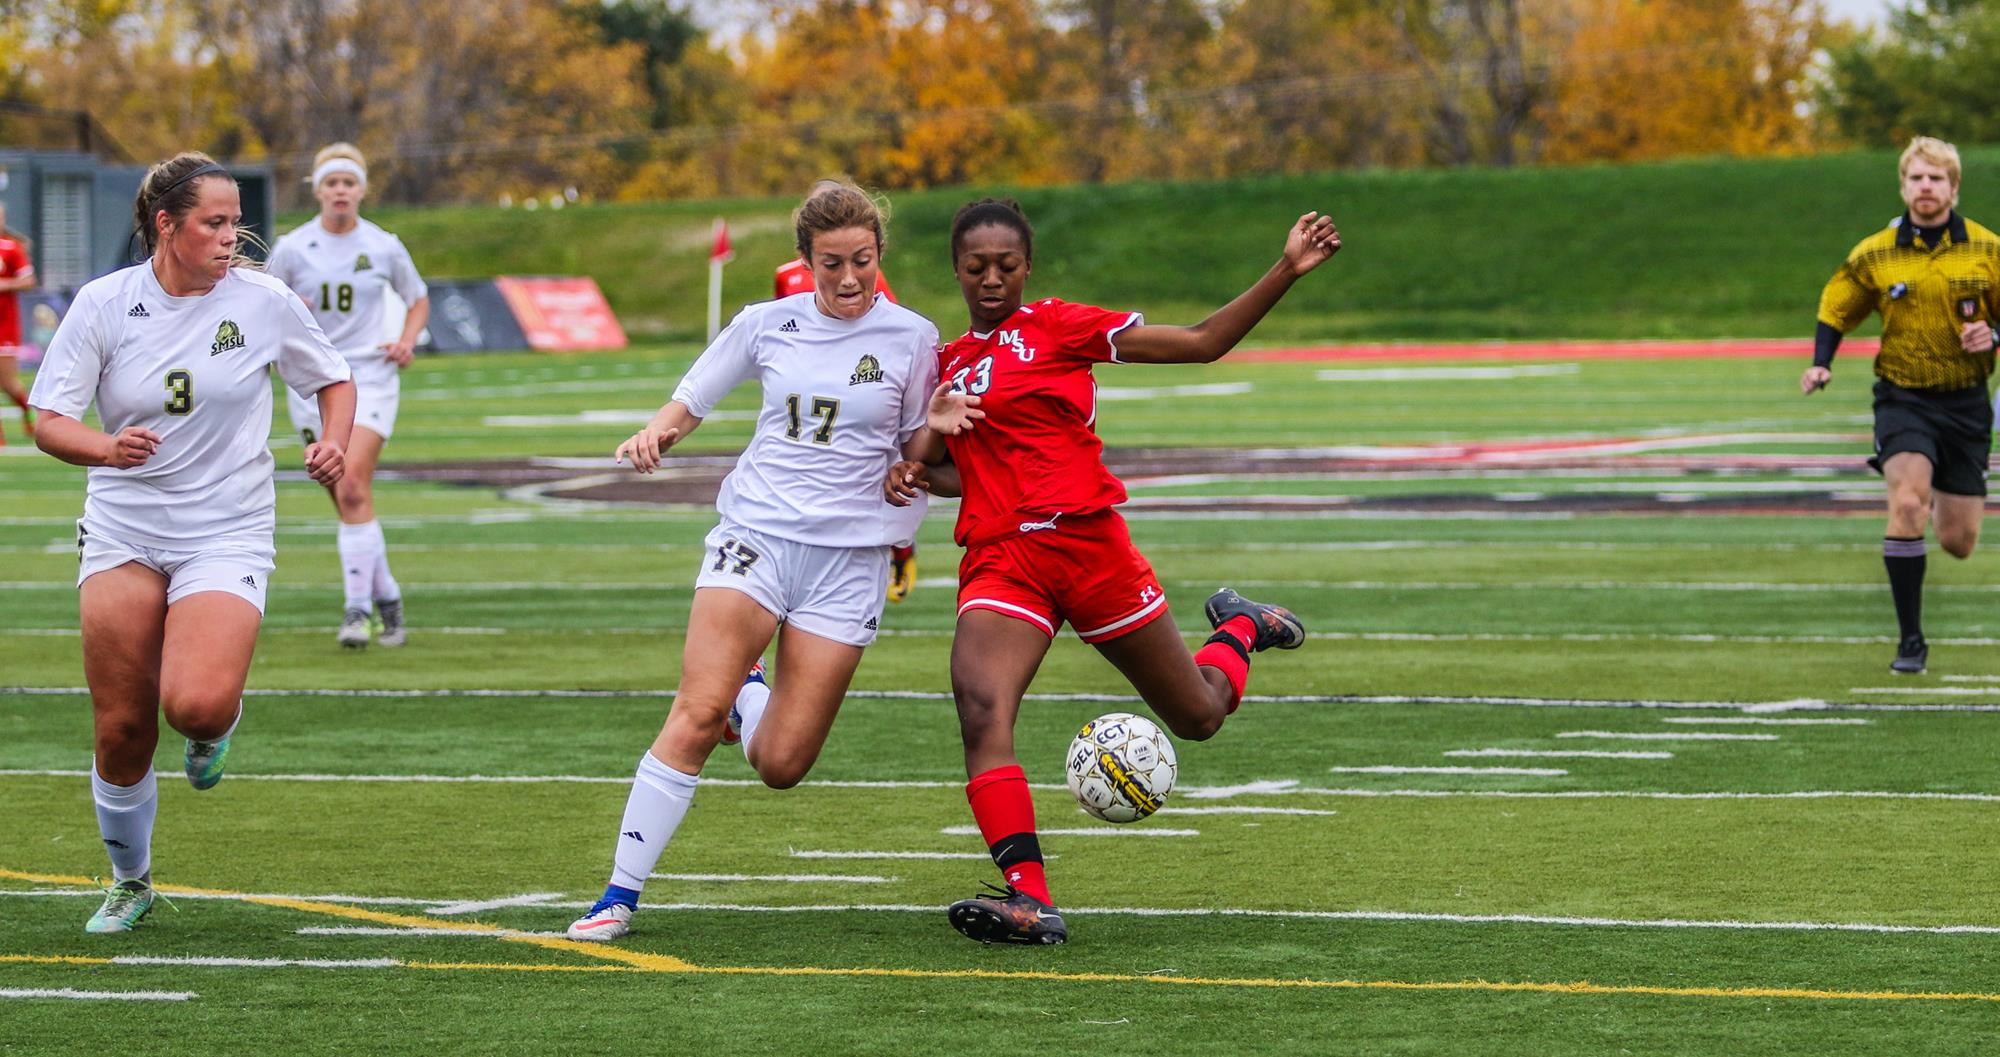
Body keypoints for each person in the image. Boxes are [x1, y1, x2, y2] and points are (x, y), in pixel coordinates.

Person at [888, 198, 1338, 946]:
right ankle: (1029, 900)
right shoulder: (948, 364)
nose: (992, 278)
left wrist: (1286, 270)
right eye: (976, 267)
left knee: (1197, 715)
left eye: (1006, 265)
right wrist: (919, 451)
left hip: (1086, 543)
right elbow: (944, 472)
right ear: (956, 271)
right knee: (979, 705)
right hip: (1004, 557)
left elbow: (1200, 343)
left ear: (1026, 267)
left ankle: (1241, 628)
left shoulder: (1061, 326)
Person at [565, 181, 938, 942]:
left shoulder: (914, 339)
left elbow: (919, 448)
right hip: (756, 536)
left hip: (850, 561)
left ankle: (751, 694)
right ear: (804, 261)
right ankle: (617, 895)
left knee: (783, 763)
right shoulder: (766, 323)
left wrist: (908, 504)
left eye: (861, 261)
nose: (847, 278)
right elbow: (690, 398)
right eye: (830, 263)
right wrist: (657, 432)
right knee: (695, 713)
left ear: (880, 256)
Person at [27, 152, 354, 933]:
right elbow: (49, 421)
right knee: (123, 726)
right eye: (213, 221)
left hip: (226, 526)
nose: (230, 235)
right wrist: (105, 448)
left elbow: (332, 378)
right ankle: (130, 880)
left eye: (235, 219)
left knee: (197, 705)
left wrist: (333, 441)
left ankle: (216, 728)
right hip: (124, 526)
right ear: (166, 226)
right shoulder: (106, 303)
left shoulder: (264, 300)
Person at [1806, 136, 2000, 675]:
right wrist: (1822, 361)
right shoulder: (1876, 252)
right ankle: (1910, 640)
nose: (1926, 187)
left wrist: (1995, 334)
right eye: (1916, 178)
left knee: (1959, 542)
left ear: (1954, 188)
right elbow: (1836, 306)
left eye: (1936, 178)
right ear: (1903, 185)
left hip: (1965, 404)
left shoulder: (1987, 249)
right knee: (1907, 507)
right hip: (1902, 398)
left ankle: (1935, 488)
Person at [265, 143, 430, 649]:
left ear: (361, 190)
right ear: (317, 190)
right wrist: (292, 306)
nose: (341, 191)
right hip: (312, 379)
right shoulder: (293, 247)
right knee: (344, 493)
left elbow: (418, 298)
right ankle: (389, 598)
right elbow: (262, 302)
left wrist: (405, 340)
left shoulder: (383, 245)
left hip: (370, 376)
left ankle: (356, 611)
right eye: (332, 183)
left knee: (353, 482)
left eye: (349, 183)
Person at [775, 207, 918, 605]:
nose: (848, 274)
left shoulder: (867, 271)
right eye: (831, 261)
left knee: (873, 475)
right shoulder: (785, 275)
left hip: (859, 383)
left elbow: (885, 327)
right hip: (809, 388)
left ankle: (899, 549)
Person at [0, 202, 36, 444]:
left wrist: (6, 285)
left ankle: (30, 413)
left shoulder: (10, 248)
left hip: (5, 325)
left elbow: (29, 280)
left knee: (8, 382)